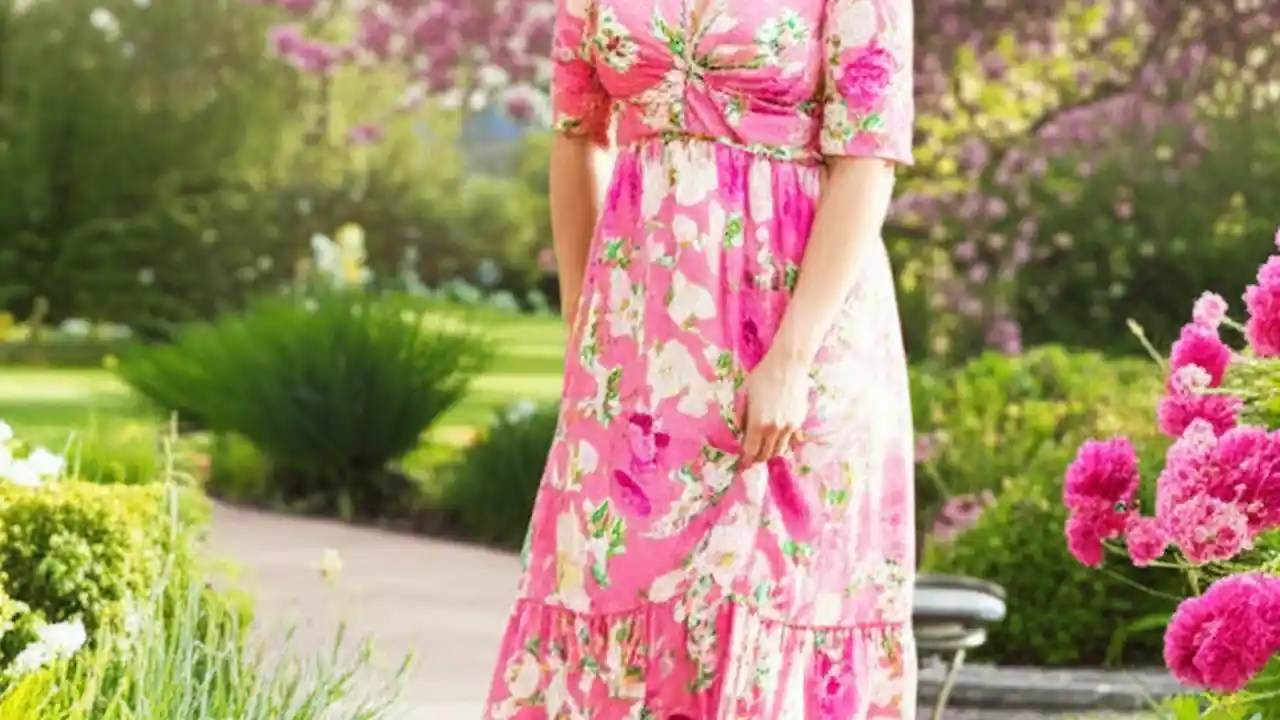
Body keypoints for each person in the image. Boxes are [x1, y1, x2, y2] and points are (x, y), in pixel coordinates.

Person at [485, 0, 916, 716]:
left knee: (767, 597)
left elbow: (867, 160)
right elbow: (576, 138)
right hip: (642, 353)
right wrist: (581, 331)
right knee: (621, 589)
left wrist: (790, 361)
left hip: (800, 340)